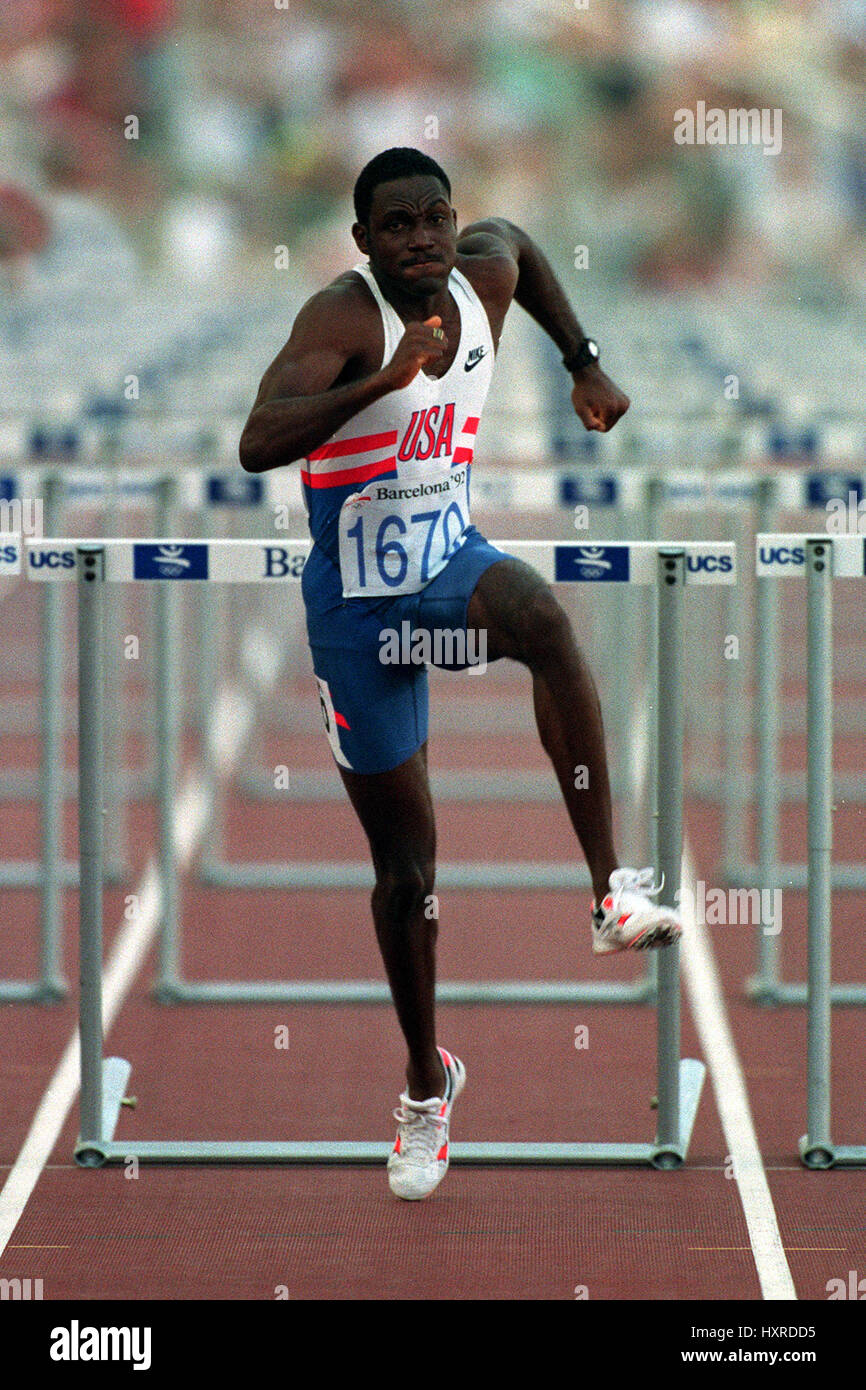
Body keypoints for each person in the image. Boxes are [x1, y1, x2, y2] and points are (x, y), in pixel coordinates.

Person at [240, 147, 683, 1201]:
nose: (421, 239)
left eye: (434, 218)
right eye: (396, 225)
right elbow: (257, 441)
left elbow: (520, 248)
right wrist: (384, 384)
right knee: (409, 874)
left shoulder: (478, 276)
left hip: (446, 571)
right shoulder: (340, 323)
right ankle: (425, 1086)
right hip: (357, 615)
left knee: (542, 620)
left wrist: (580, 358)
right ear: (363, 241)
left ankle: (609, 890)